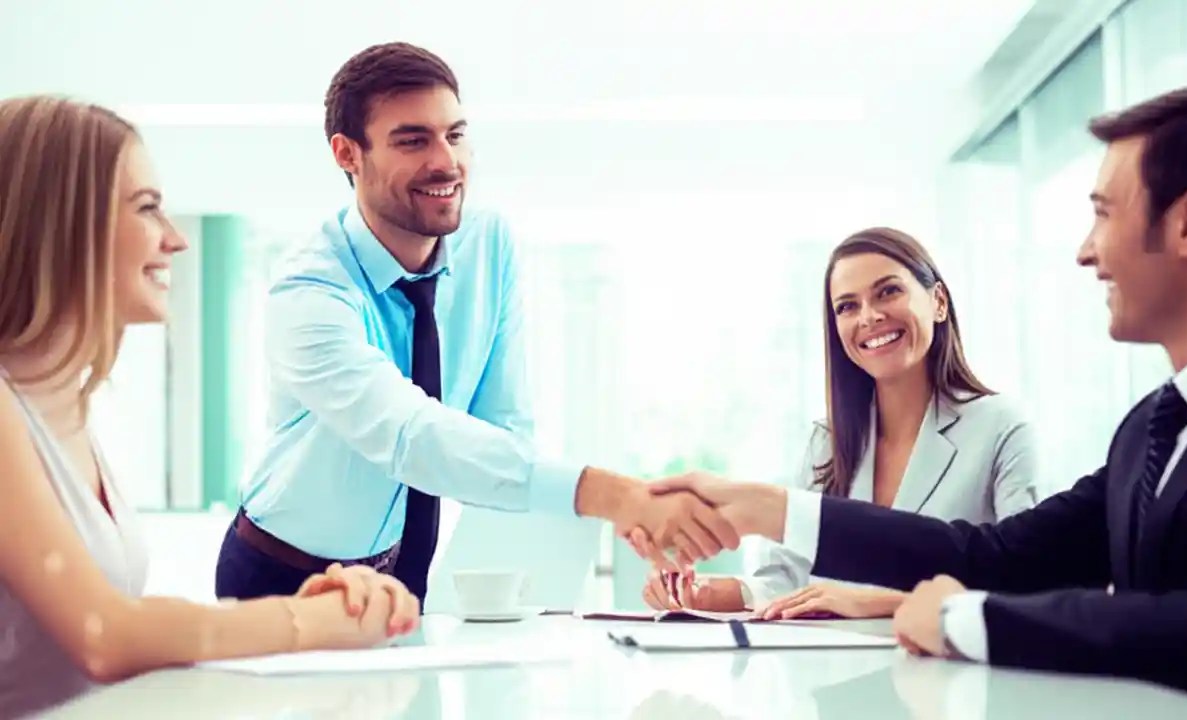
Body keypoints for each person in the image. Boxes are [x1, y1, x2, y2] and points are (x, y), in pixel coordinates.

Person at [636, 84, 1187, 715]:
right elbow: (995, 557)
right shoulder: (1149, 430)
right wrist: (770, 509)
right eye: (847, 306)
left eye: (1104, 214)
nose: (1087, 250)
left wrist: (961, 618)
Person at [214, 42, 736, 603]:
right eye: (413, 140)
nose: (446, 162)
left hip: (399, 570)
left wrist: (621, 517)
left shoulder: (487, 244)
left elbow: (503, 428)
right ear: (348, 154)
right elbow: (410, 435)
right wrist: (615, 496)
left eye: (455, 134)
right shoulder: (309, 292)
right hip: (282, 574)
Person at [0, 96, 422, 719]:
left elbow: (108, 632)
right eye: (146, 207)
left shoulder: (66, 411)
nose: (175, 240)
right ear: (62, 225)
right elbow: (103, 635)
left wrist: (306, 609)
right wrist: (306, 621)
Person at [638, 228, 1036, 616]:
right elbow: (783, 581)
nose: (869, 317)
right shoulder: (827, 442)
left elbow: (1027, 581)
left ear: (938, 302)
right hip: (830, 659)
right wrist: (708, 594)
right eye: (847, 306)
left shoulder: (1001, 427)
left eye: (888, 291)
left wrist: (878, 603)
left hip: (940, 659)